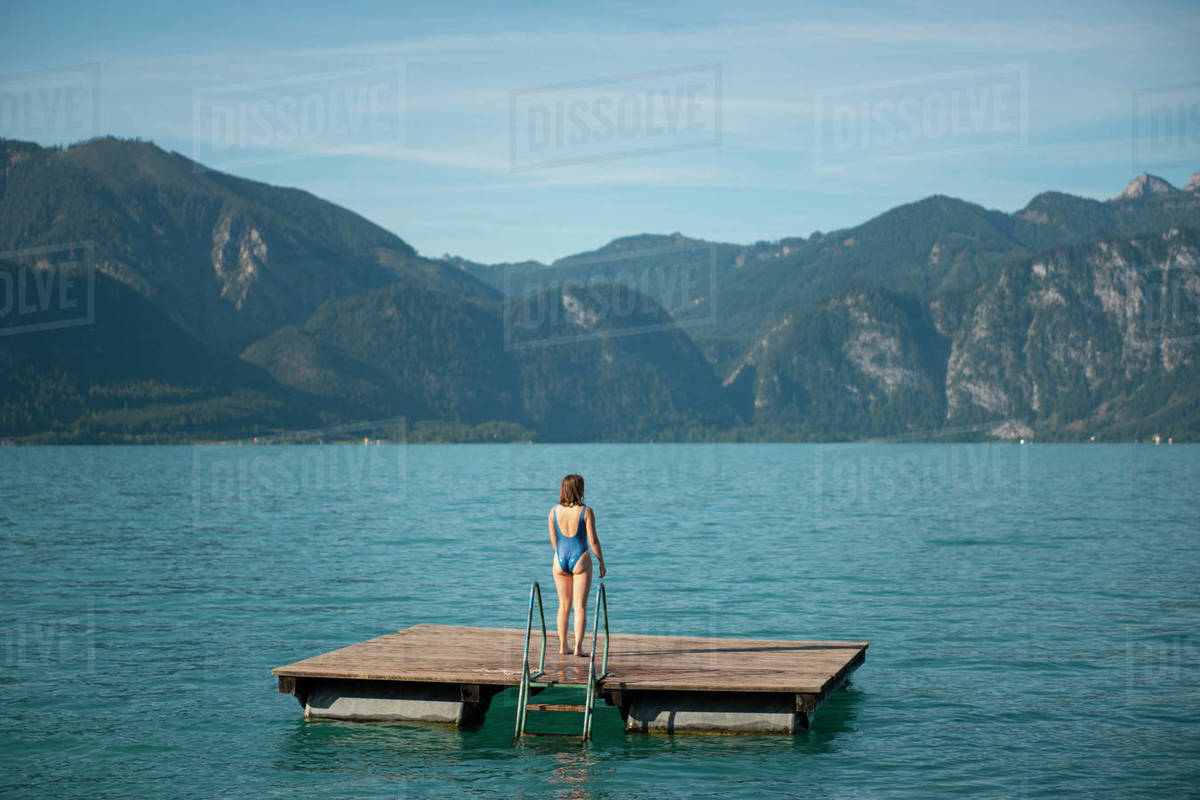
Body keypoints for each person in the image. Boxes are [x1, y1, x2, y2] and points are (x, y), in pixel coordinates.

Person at [548, 473, 606, 657]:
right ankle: (578, 648)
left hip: (559, 558)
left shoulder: (553, 511)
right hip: (579, 556)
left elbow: (554, 541)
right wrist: (601, 561)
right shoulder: (586, 511)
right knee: (579, 606)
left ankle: (563, 646)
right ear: (579, 490)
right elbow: (593, 540)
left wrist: (562, 555)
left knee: (563, 605)